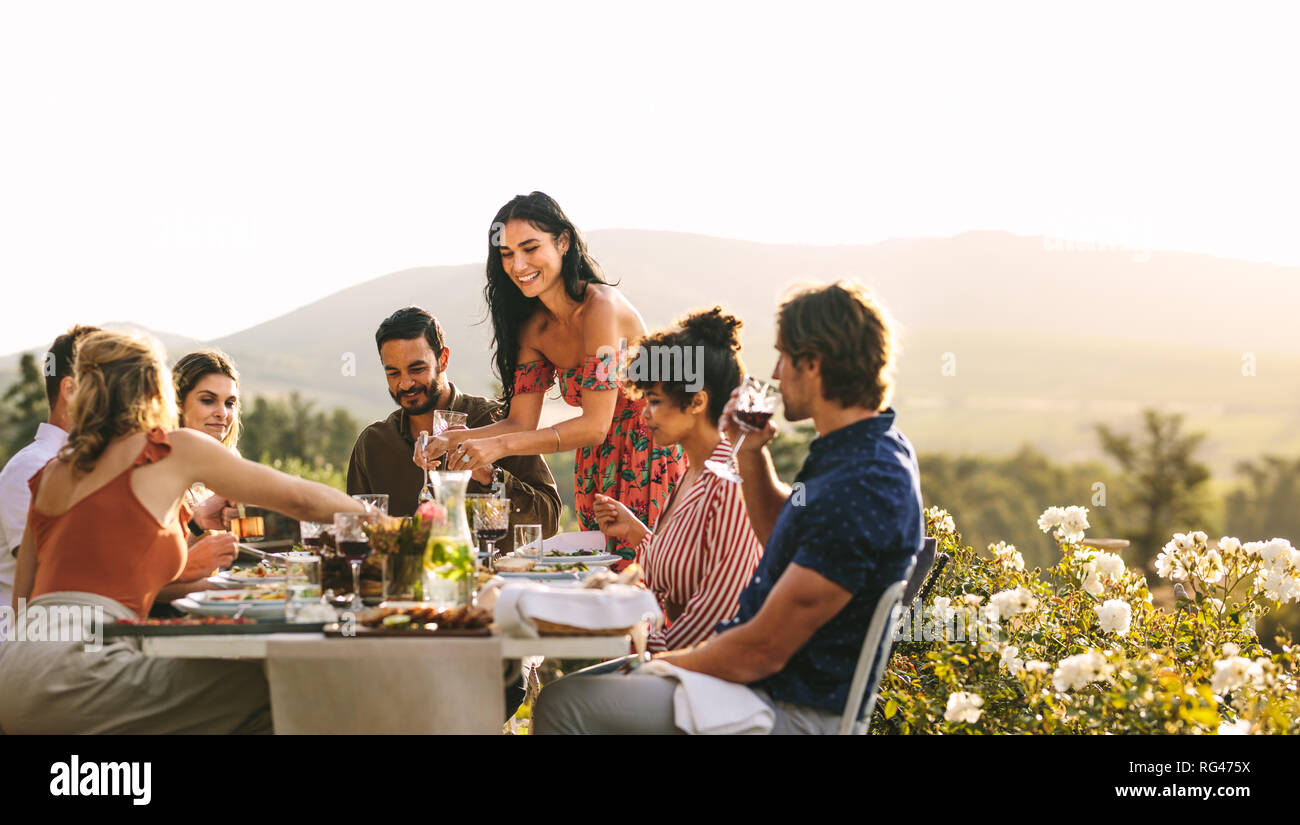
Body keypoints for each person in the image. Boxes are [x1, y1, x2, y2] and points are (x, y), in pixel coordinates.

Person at [533, 281, 924, 734]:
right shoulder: (852, 450)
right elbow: (783, 533)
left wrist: (661, 663)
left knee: (565, 706)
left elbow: (765, 649)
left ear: (813, 364)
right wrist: (754, 454)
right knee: (574, 694)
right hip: (759, 688)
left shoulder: (865, 480)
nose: (775, 373)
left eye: (784, 357)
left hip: (786, 707)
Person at [0, 330, 366, 733]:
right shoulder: (171, 448)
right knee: (288, 687)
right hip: (81, 670)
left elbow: (22, 601)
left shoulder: (52, 473)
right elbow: (302, 500)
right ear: (156, 391)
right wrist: (381, 523)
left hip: (14, 673)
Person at [415, 192, 684, 561]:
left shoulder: (601, 309)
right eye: (507, 254)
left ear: (563, 242)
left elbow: (595, 425)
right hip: (596, 466)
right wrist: (454, 440)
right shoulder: (533, 328)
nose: (517, 264)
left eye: (530, 248)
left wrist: (501, 447)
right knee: (601, 582)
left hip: (649, 452)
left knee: (649, 579)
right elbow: (520, 420)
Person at [593, 307, 762, 651]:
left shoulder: (730, 484)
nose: (645, 414)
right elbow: (683, 570)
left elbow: (716, 618)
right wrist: (639, 533)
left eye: (654, 401)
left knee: (563, 701)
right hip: (681, 657)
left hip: (713, 672)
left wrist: (636, 644)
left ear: (697, 401)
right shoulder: (694, 471)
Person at [348, 306, 561, 550]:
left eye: (417, 369)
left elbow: (549, 521)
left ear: (444, 359)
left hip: (496, 584)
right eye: (393, 373)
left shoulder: (499, 422)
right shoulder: (373, 444)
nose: (405, 383)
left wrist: (493, 478)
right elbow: (356, 534)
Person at [0, 325, 99, 614]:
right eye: (109, 386)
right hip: (32, 643)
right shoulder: (31, 468)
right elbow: (60, 580)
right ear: (70, 390)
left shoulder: (89, 465)